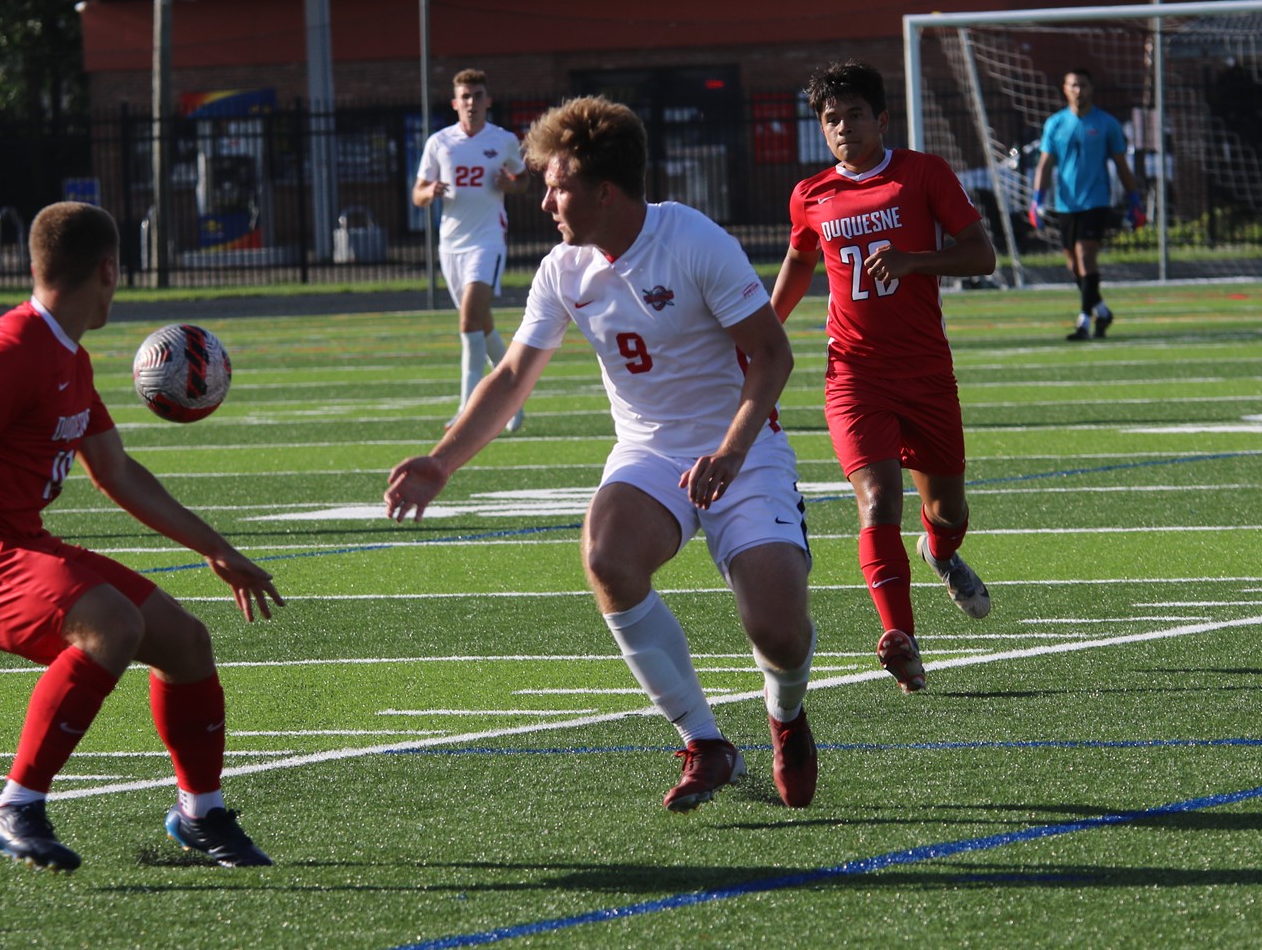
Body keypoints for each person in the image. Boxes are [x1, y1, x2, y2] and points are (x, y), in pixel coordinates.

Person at [387, 95, 820, 811]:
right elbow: (511, 376)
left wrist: (732, 451)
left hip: (740, 446)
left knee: (776, 630)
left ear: (604, 191)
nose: (545, 201)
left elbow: (773, 356)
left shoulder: (694, 240)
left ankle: (787, 715)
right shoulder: (563, 270)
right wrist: (440, 462)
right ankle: (705, 741)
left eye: (557, 186)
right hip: (650, 452)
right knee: (607, 556)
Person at [0, 202, 285, 873]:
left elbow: (114, 470)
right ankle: (14, 804)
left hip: (18, 540)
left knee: (186, 641)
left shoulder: (65, 354)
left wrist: (214, 548)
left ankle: (201, 813)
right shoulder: (13, 347)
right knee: (109, 623)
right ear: (109, 269)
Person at [770, 61, 995, 695]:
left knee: (945, 510)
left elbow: (982, 253)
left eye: (855, 115)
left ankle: (941, 554)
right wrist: (759, 329)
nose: (843, 128)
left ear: (882, 119)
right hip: (853, 374)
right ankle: (904, 640)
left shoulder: (923, 172)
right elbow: (797, 262)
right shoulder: (811, 194)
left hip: (925, 372)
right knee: (876, 502)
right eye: (831, 119)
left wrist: (915, 261)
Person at [414, 68, 530, 432]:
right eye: (465, 97)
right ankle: (516, 397)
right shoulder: (440, 142)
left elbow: (524, 180)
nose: (472, 103)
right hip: (451, 244)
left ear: (487, 100)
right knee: (481, 324)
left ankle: (467, 409)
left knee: (468, 321)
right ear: (455, 103)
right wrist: (428, 193)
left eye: (478, 95)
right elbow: (417, 192)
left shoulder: (503, 139)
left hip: (487, 242)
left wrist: (510, 185)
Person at [1032, 69, 1144, 340]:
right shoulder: (1056, 124)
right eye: (1073, 85)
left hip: (1096, 201)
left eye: (1083, 85)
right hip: (1066, 204)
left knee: (1085, 255)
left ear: (1091, 88)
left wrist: (1134, 199)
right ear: (1065, 88)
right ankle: (1102, 310)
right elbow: (1045, 163)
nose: (1078, 90)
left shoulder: (1106, 124)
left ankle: (1084, 322)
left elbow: (1120, 163)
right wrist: (1037, 200)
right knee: (1073, 265)